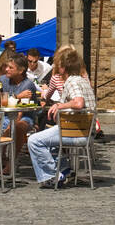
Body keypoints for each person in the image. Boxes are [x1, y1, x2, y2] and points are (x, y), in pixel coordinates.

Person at [27, 47, 97, 188]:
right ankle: (65, 170)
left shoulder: (72, 81)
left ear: (63, 68)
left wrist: (60, 106)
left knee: (34, 141)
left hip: (75, 133)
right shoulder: (83, 80)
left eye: (58, 64)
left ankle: (53, 175)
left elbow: (79, 102)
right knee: (49, 140)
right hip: (87, 132)